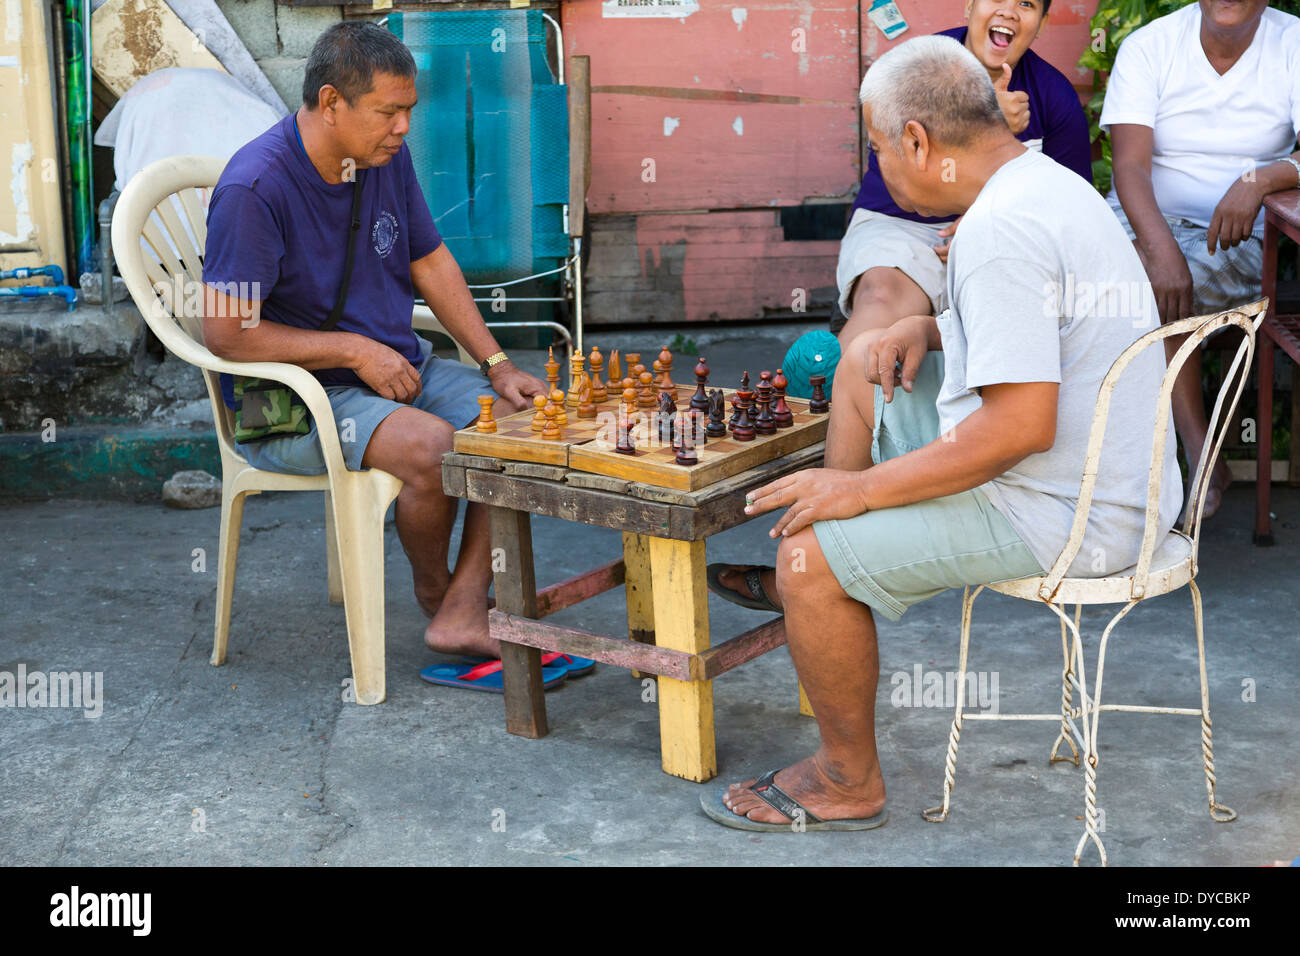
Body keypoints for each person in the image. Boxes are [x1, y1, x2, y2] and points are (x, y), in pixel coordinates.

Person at [701, 35, 1179, 830]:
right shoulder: (1046, 184)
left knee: (804, 560)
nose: (883, 163)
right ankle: (836, 569)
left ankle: (847, 777)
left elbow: (1022, 426)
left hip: (1077, 512)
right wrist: (931, 323)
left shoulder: (998, 230)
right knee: (862, 363)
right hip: (1109, 474)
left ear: (918, 140)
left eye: (882, 146)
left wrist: (855, 489)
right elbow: (1039, 335)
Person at [201, 22, 546, 660]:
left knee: (518, 430)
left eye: (409, 111)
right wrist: (353, 350)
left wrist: (496, 364)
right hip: (287, 400)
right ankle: (436, 591)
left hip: (393, 367)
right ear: (331, 104)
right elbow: (225, 331)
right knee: (433, 448)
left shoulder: (385, 157)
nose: (404, 128)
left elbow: (430, 259)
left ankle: (463, 608)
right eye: (390, 112)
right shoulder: (255, 188)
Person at [1101, 0, 1300, 518]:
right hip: (1141, 218)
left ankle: (1187, 460)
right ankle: (1195, 455)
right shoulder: (1150, 45)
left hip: (1240, 233)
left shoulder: (1292, 44)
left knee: (1146, 298)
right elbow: (1130, 165)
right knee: (1113, 292)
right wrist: (1160, 248)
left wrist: (1258, 180)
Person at [831, 0, 1091, 345]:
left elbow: (1073, 205)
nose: (1009, 12)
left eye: (1026, 4)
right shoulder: (919, 67)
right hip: (904, 225)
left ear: (1041, 24)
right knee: (882, 300)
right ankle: (834, 397)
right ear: (969, 6)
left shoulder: (1053, 94)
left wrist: (990, 222)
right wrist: (982, 121)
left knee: (1020, 320)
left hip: (1007, 232)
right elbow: (904, 190)